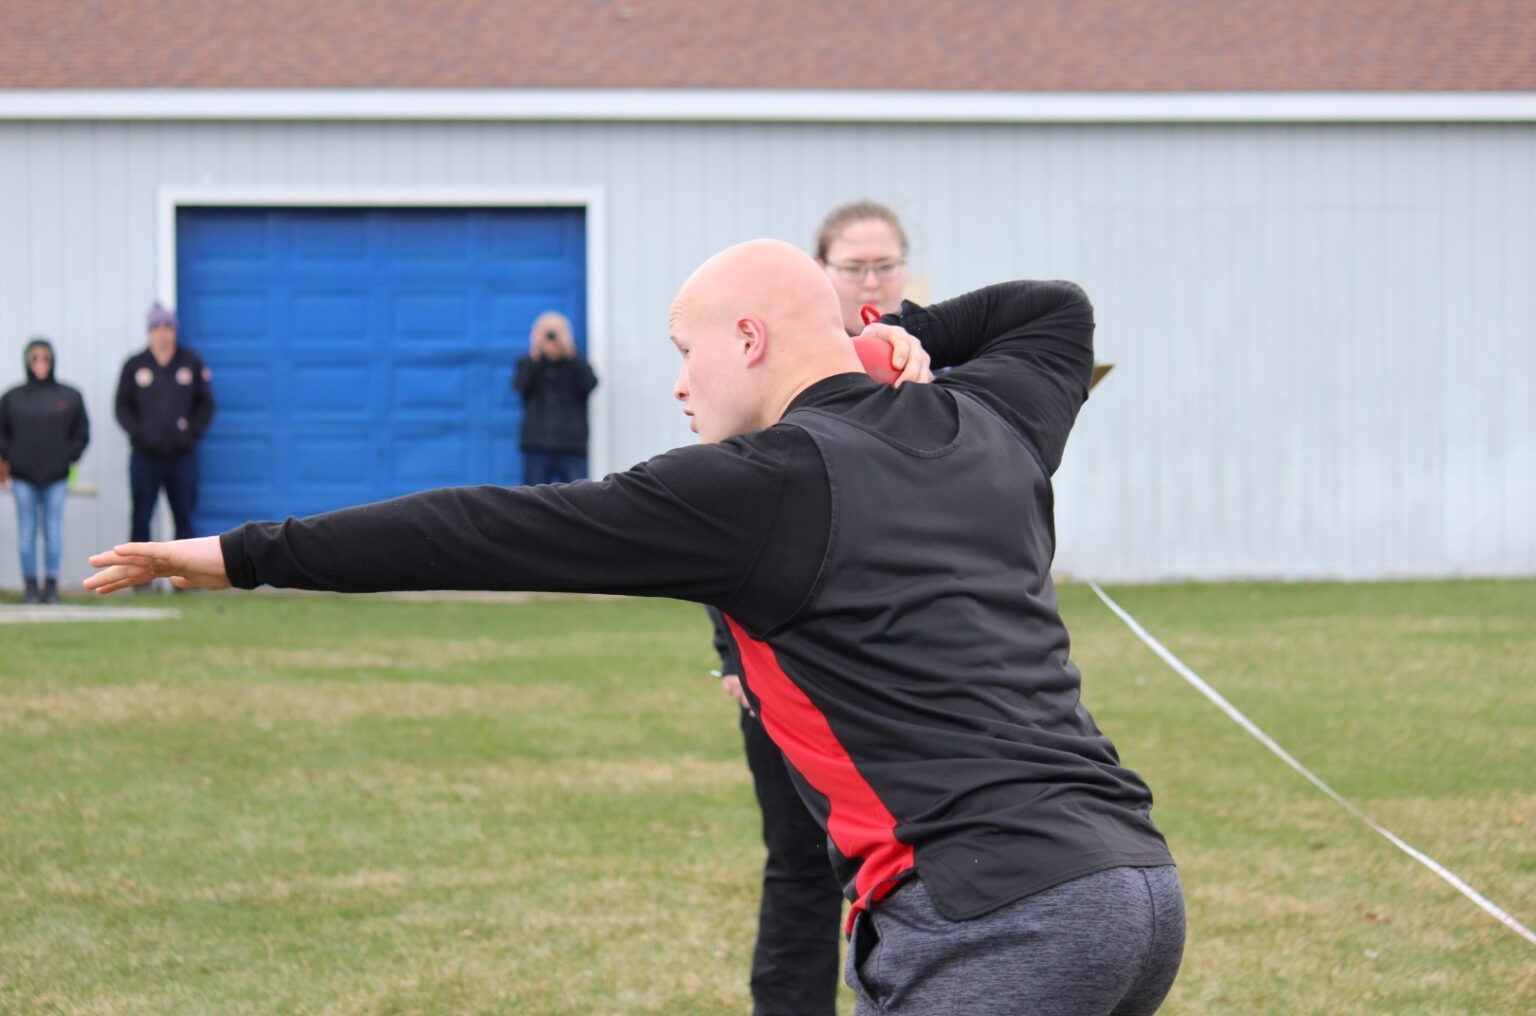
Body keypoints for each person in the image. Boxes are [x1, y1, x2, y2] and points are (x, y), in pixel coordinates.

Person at [86, 240, 1183, 1016]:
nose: (675, 384)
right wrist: (884, 339)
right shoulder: (989, 418)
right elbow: (1055, 310)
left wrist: (244, 553)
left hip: (997, 917)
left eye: (685, 348)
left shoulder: (756, 488)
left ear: (749, 338)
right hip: (1134, 887)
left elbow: (481, 528)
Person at [706, 199, 914, 1016]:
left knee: (906, 870)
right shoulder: (780, 378)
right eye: (854, 265)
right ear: (821, 275)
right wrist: (733, 654)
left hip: (899, 672)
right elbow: (721, 518)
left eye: (886, 264)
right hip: (791, 670)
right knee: (798, 865)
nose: (872, 279)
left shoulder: (928, 371)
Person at [114, 302, 215, 545]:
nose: (163, 331)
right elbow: (121, 407)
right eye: (157, 326)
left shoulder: (190, 362)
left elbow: (206, 405)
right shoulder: (135, 365)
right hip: (145, 456)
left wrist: (190, 434)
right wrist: (139, 433)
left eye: (168, 325)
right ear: (149, 330)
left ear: (175, 329)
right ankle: (140, 578)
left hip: (182, 456)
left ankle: (183, 580)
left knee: (184, 518)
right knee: (141, 517)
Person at [0, 339, 89, 604]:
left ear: (52, 361)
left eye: (45, 358)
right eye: (35, 358)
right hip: (23, 477)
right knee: (27, 530)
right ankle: (30, 585)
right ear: (27, 362)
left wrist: (68, 458)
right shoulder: (12, 397)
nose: (40, 362)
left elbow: (81, 433)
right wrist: (10, 458)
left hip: (56, 477)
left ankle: (50, 585)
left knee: (53, 530)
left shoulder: (68, 396)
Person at [512, 310, 598, 485]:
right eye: (547, 333)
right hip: (537, 444)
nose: (551, 339)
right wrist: (535, 353)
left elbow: (589, 384)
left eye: (556, 332)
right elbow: (520, 386)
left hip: (571, 445)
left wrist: (571, 353)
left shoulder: (575, 365)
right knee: (532, 499)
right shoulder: (528, 364)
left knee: (577, 496)